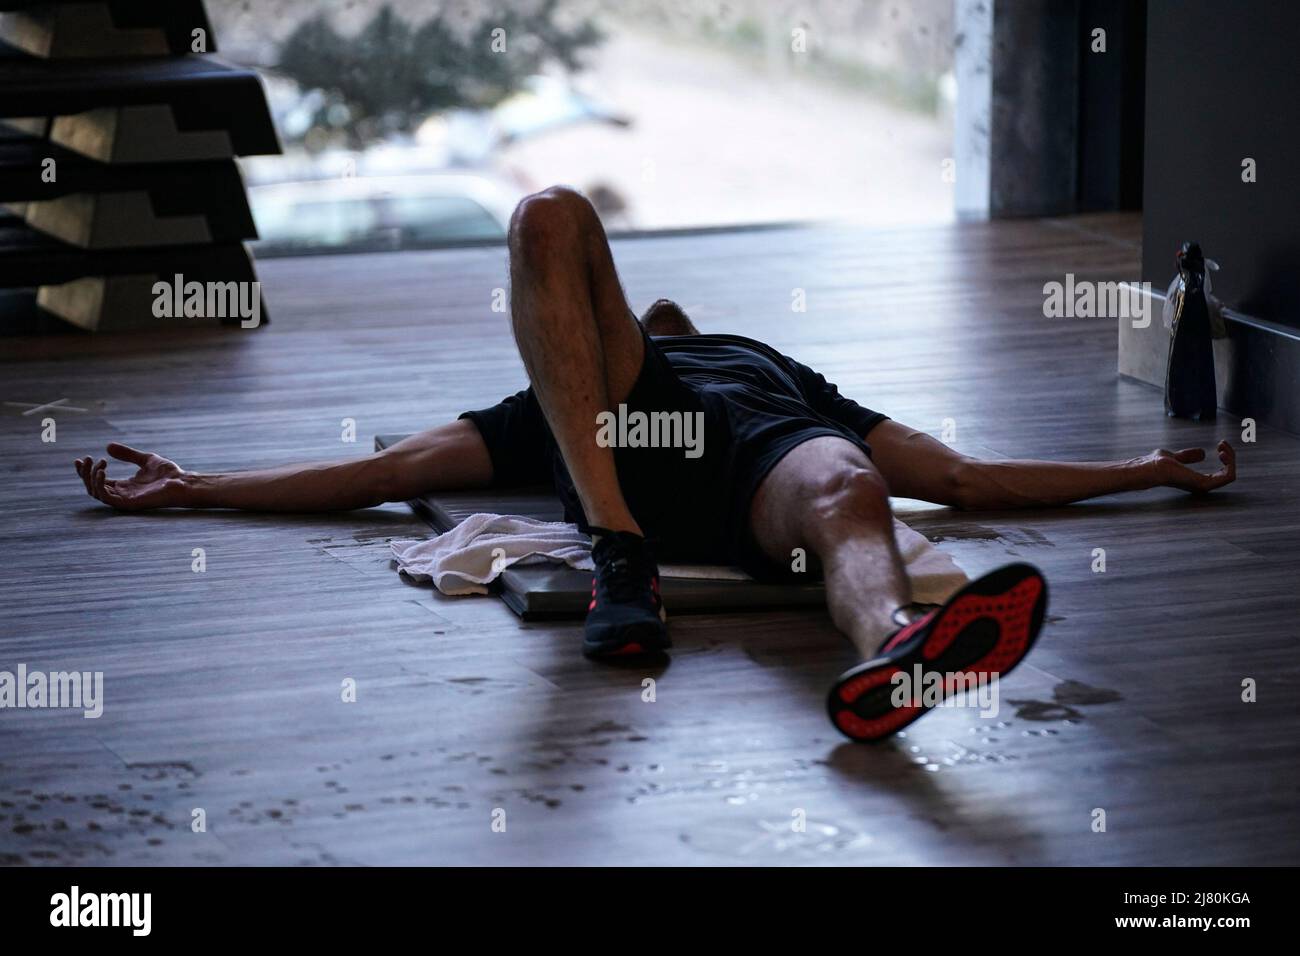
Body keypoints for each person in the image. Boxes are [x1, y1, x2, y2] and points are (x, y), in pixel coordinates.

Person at [73, 186, 1237, 742]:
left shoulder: (766, 360)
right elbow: (396, 468)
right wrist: (196, 486)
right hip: (628, 444)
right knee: (548, 215)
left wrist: (1148, 464)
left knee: (854, 489)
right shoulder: (574, 381)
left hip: (768, 467)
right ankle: (618, 545)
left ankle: (897, 655)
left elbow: (967, 476)